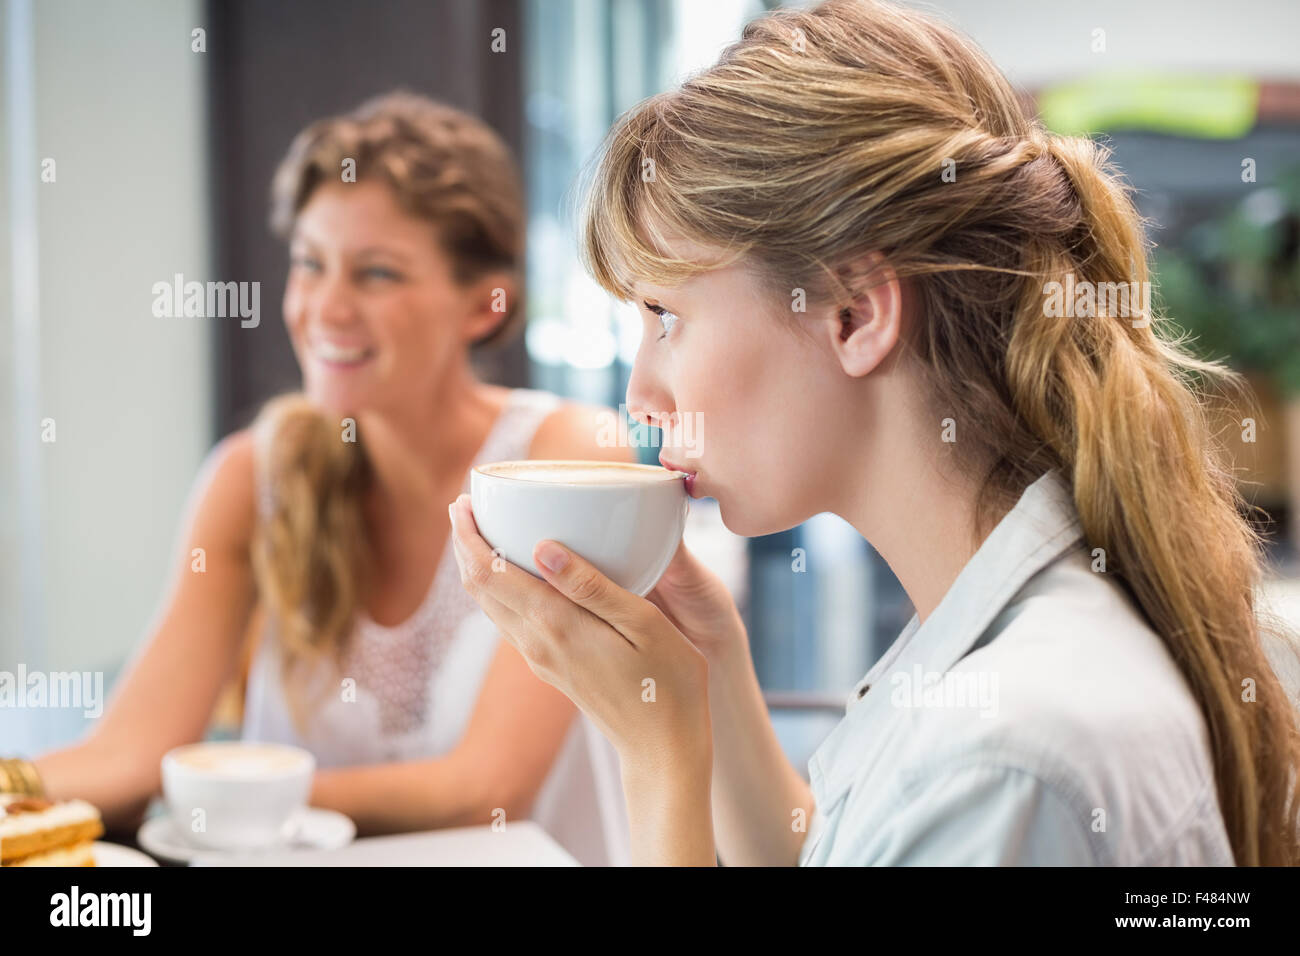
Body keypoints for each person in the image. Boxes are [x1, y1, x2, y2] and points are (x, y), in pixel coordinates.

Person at [449, 0, 1300, 865]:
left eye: (666, 315)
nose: (641, 395)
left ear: (856, 315)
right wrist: (715, 671)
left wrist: (657, 755)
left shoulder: (1008, 756)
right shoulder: (982, 636)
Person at [17, 91, 633, 866]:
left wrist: (217, 799)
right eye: (309, 263)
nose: (326, 308)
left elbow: (486, 789)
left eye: (376, 274)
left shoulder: (567, 461)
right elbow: (130, 754)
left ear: (484, 305)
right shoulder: (250, 476)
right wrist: (18, 781)